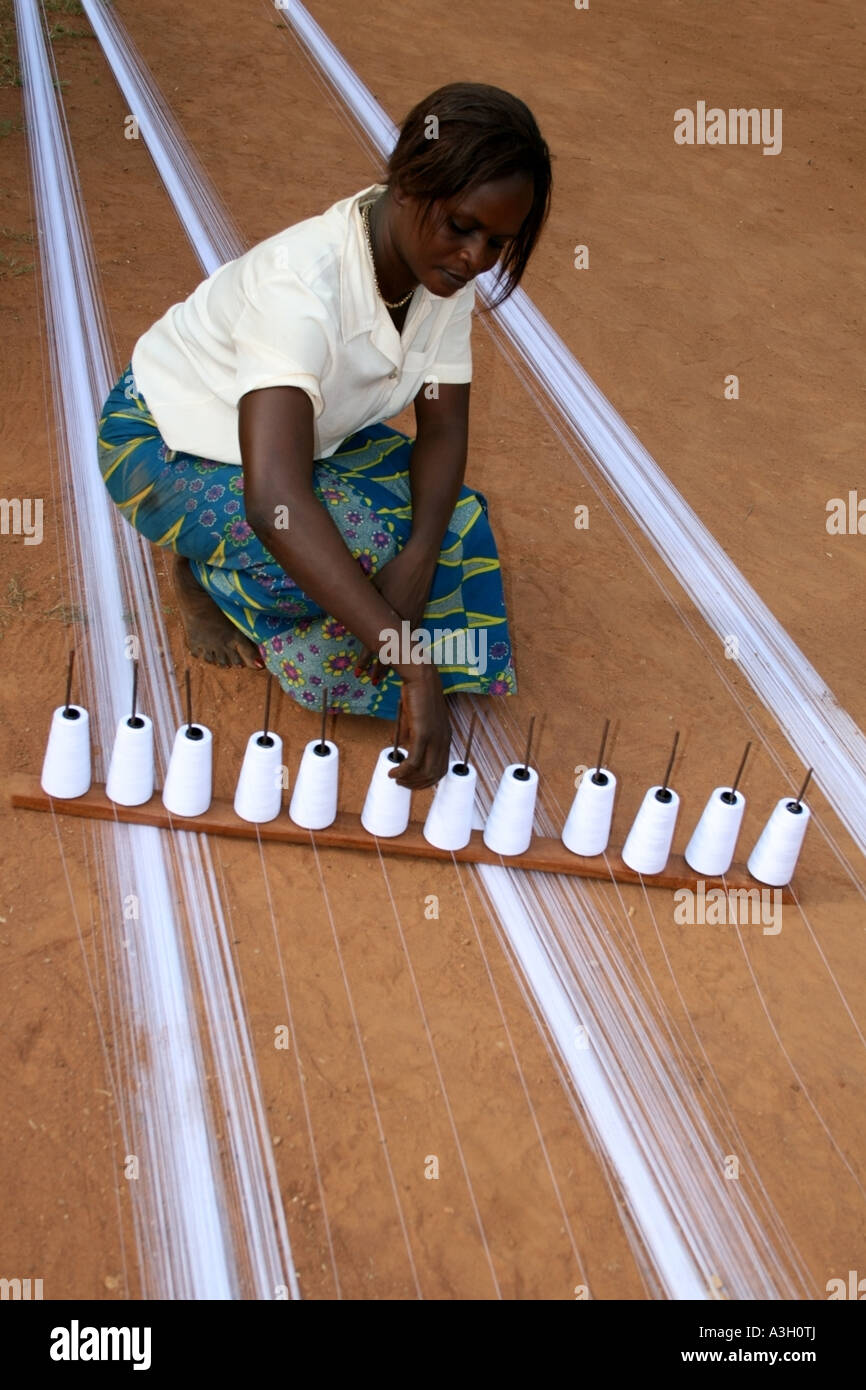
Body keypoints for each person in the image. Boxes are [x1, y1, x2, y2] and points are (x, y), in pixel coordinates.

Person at [96, 81, 552, 789]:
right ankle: (208, 576)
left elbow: (442, 427)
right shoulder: (302, 285)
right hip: (164, 447)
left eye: (498, 241)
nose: (475, 258)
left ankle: (323, 607)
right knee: (358, 552)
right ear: (406, 184)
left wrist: (420, 560)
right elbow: (273, 494)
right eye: (462, 227)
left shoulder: (439, 279)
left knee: (452, 522)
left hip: (299, 444)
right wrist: (403, 649)